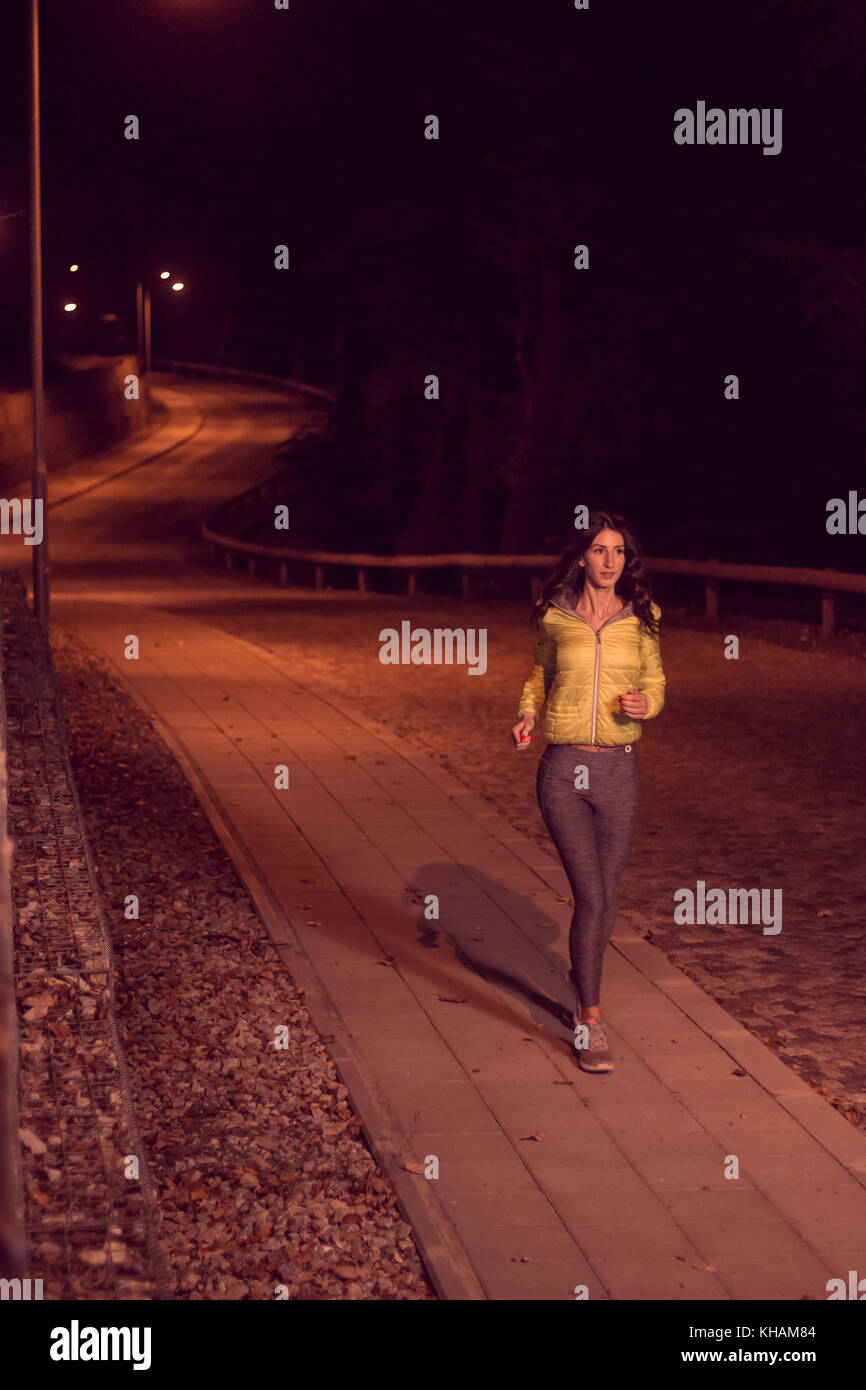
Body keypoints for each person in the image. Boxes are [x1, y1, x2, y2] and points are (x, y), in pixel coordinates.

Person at [511, 509, 666, 1073]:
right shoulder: (554, 615)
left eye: (618, 551)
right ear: (582, 557)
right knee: (593, 897)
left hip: (620, 771)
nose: (609, 561)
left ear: (627, 560)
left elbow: (656, 681)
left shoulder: (643, 616)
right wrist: (528, 713)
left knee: (608, 894)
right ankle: (590, 1022)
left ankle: (584, 977)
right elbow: (539, 674)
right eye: (599, 550)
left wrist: (647, 704)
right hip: (563, 771)